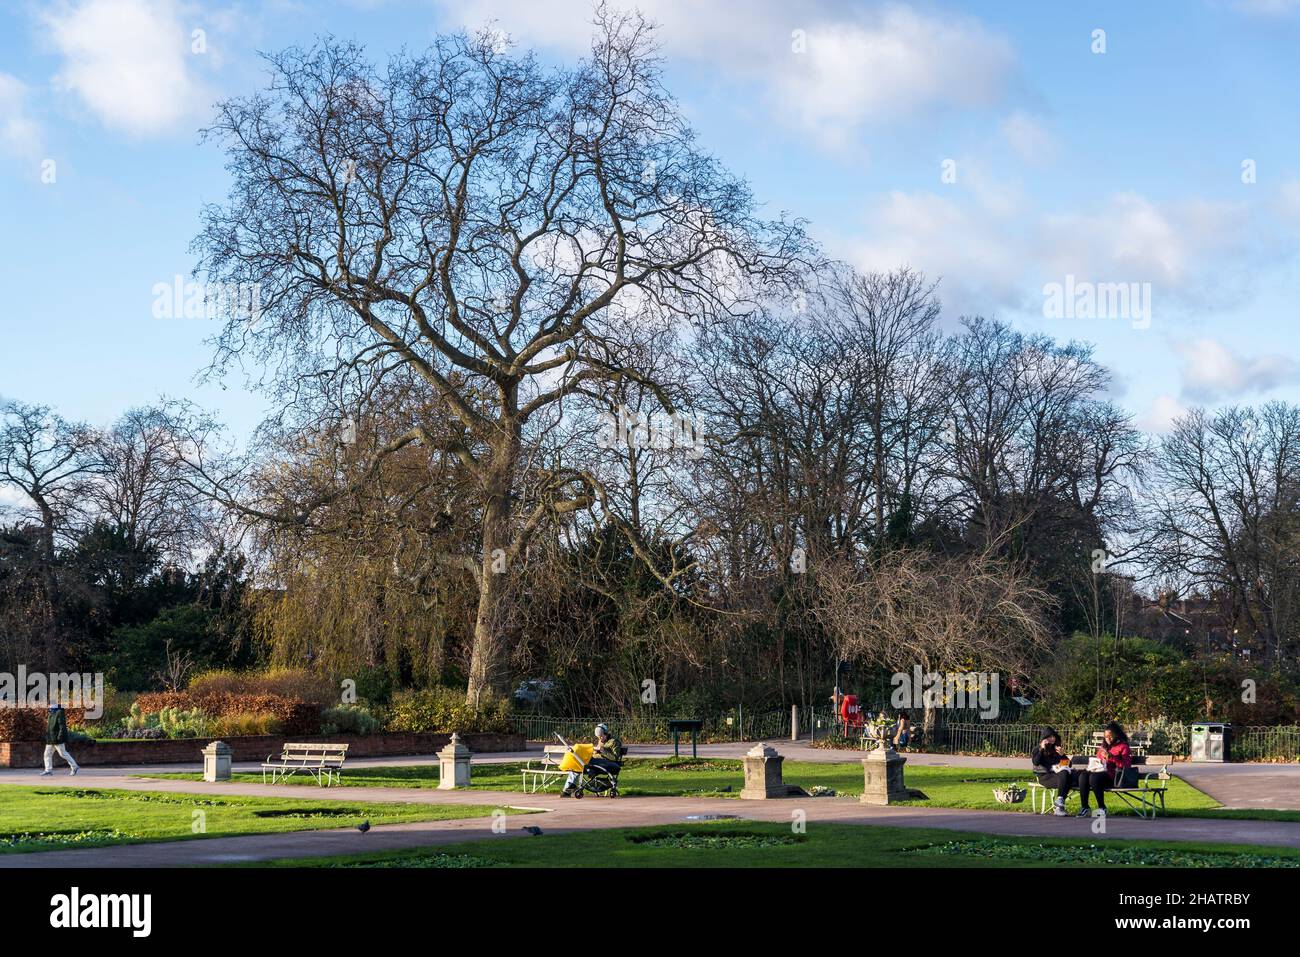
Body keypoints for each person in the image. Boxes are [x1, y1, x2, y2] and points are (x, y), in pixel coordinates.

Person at [1075, 720, 1133, 817]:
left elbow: (1126, 765)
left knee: (1094, 778)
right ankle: (1085, 807)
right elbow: (1098, 760)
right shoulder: (1103, 747)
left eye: (1110, 736)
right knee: (1083, 776)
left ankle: (1102, 807)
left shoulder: (1123, 747)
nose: (1108, 739)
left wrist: (1110, 757)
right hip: (1099, 772)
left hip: (1113, 777)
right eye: (1106, 737)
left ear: (1116, 735)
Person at [562, 722, 623, 797]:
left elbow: (614, 758)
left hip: (607, 764)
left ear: (606, 733)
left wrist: (602, 750)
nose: (600, 739)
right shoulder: (601, 741)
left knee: (582, 764)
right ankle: (567, 790)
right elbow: (597, 754)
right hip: (596, 763)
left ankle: (570, 787)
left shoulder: (614, 742)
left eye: (601, 736)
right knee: (577, 765)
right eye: (598, 737)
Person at [1030, 726, 1073, 816]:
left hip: (1057, 775)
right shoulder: (1037, 749)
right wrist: (1042, 749)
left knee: (1066, 774)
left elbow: (1069, 764)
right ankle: (1059, 807)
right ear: (1044, 738)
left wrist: (1062, 755)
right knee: (1066, 779)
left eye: (1053, 736)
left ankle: (1059, 802)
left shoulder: (1056, 749)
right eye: (1050, 737)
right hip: (1044, 776)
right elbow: (1036, 762)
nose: (1052, 739)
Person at [41, 702, 80, 777]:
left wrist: (60, 737)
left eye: (51, 707)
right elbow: (49, 727)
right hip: (50, 738)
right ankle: (48, 770)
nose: (49, 708)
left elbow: (62, 727)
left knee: (63, 754)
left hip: (57, 738)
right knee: (47, 754)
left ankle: (74, 766)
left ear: (54, 707)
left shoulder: (59, 713)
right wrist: (48, 736)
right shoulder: (50, 714)